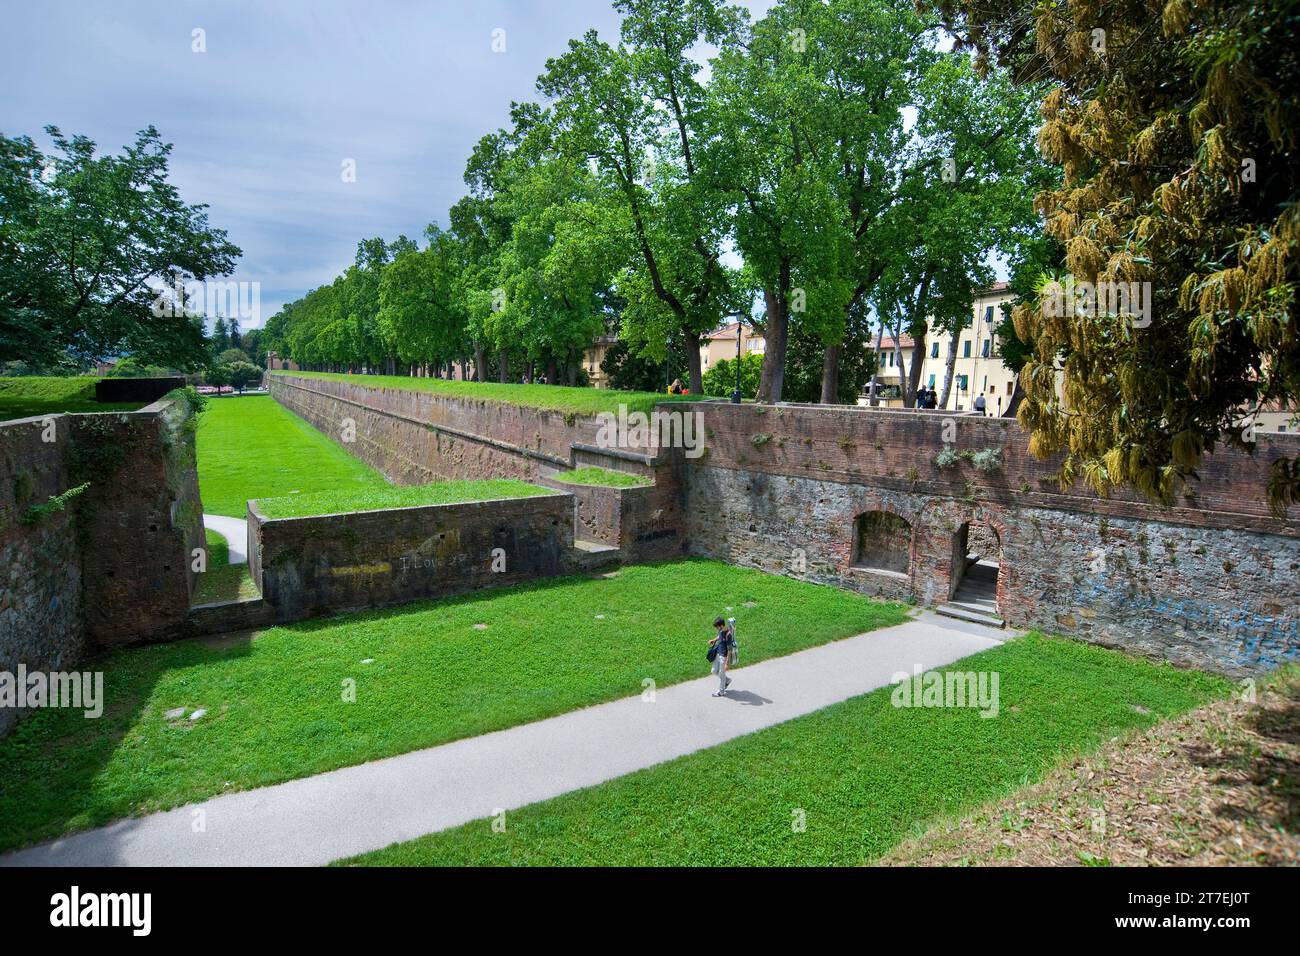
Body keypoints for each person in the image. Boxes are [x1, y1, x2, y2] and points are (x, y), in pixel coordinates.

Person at [708, 616, 734, 697]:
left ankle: (721, 691)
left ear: (721, 625)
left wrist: (727, 663)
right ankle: (727, 680)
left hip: (724, 657)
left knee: (721, 674)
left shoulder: (728, 635)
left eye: (717, 627)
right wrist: (714, 640)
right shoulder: (721, 630)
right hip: (718, 654)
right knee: (713, 671)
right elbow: (720, 636)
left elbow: (730, 650)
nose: (716, 628)